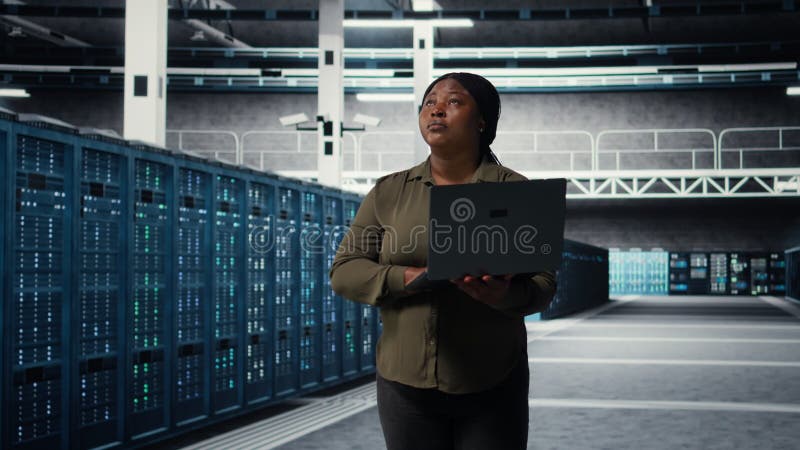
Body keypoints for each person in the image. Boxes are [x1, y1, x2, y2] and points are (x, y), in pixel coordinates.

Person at [329, 72, 557, 450]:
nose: (436, 109)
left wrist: (503, 296)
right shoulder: (389, 191)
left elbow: (545, 285)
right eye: (429, 102)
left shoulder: (516, 191)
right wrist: (411, 278)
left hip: (492, 380)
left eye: (453, 101)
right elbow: (345, 270)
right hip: (404, 382)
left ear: (482, 120)